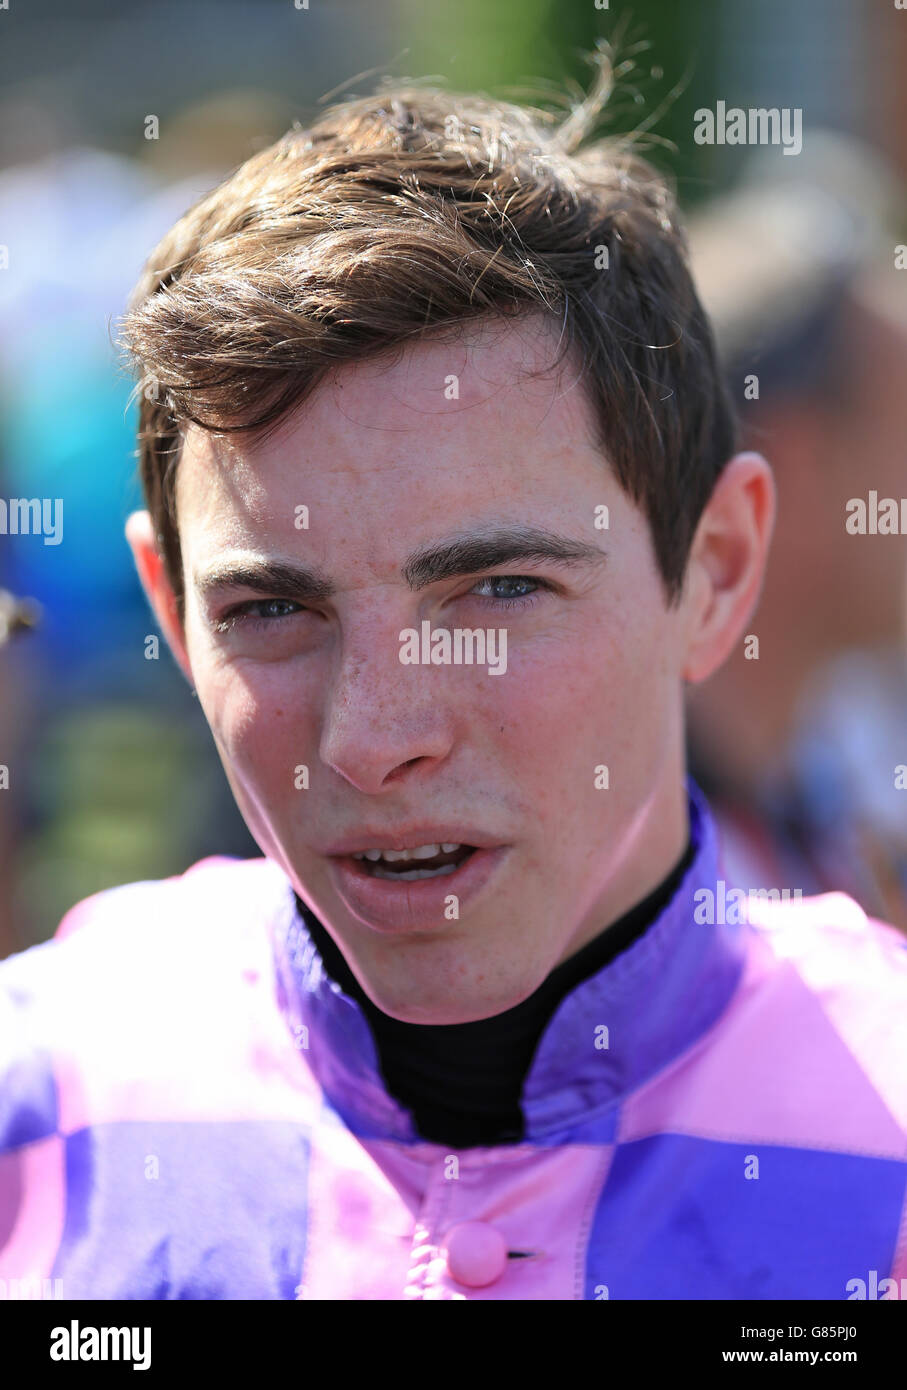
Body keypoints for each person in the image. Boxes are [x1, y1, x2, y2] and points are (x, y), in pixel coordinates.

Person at [1, 67, 905, 1302]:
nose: (374, 738)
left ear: (714, 569)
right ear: (170, 608)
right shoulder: (41, 1091)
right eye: (271, 610)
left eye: (498, 591)